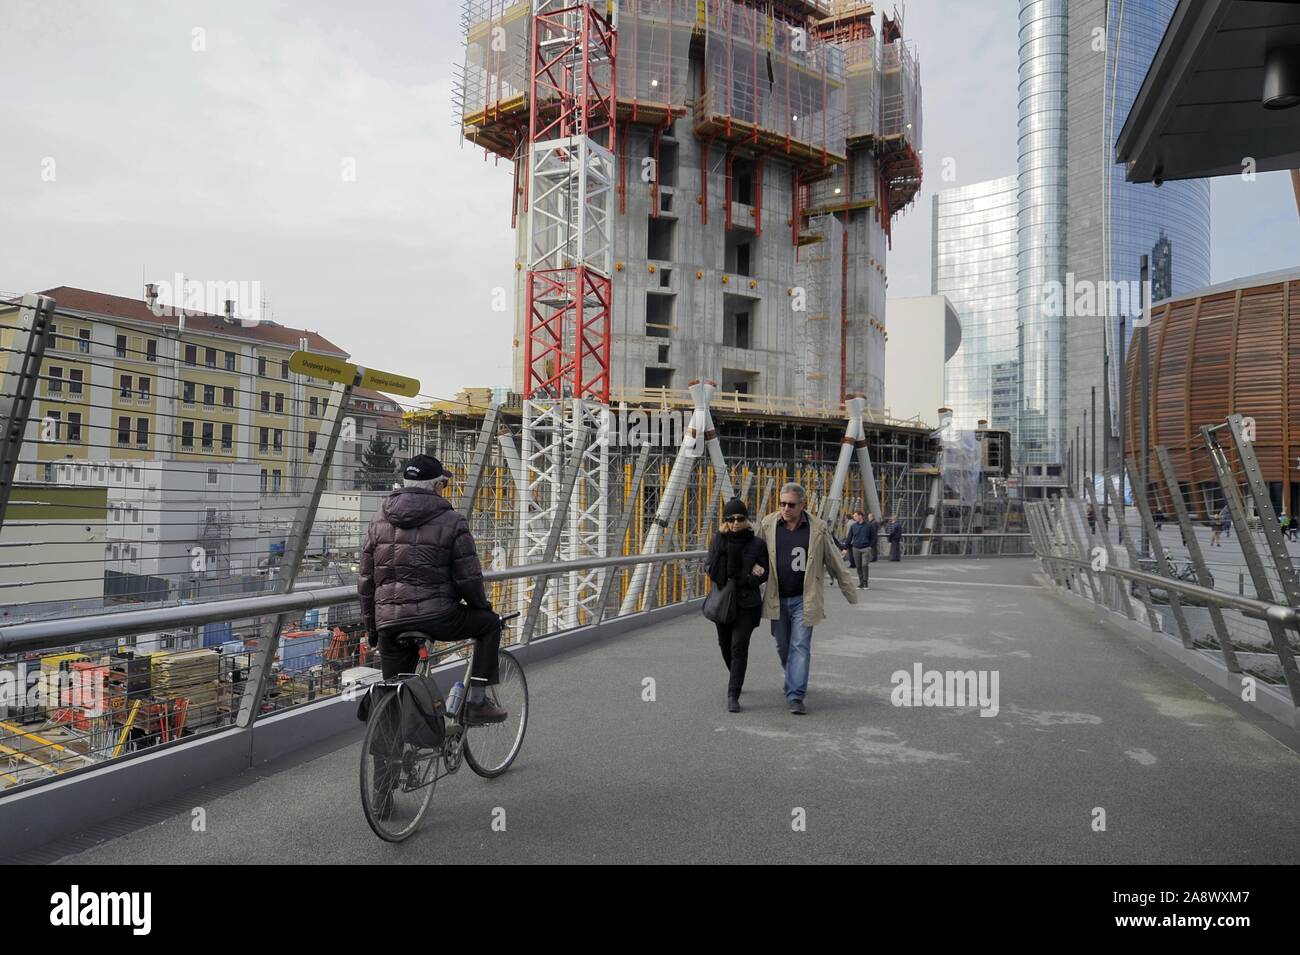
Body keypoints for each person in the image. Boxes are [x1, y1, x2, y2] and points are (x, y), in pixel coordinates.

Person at [357, 454, 506, 726]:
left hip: (389, 621)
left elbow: (366, 581)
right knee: (490, 624)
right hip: (437, 617)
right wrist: (481, 607)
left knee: (391, 694)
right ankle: (477, 704)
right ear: (438, 486)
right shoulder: (452, 521)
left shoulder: (377, 520)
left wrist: (373, 628)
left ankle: (387, 765)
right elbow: (468, 578)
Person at [759, 483, 858, 715]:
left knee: (800, 646)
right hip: (777, 598)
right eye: (782, 504)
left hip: (805, 599)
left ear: (802, 505)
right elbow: (756, 553)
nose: (785, 508)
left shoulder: (818, 528)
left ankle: (796, 696)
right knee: (783, 645)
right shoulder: (768, 524)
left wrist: (849, 592)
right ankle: (791, 674)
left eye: (791, 505)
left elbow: (835, 561)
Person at [706, 498, 770, 713]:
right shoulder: (719, 540)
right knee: (725, 646)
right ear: (726, 521)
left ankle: (733, 693)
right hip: (724, 602)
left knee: (738, 646)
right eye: (731, 519)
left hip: (746, 604)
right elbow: (711, 570)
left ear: (746, 519)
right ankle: (736, 674)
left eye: (739, 518)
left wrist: (748, 578)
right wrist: (727, 561)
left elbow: (764, 573)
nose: (735, 523)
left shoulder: (757, 544)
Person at [846, 509, 874, 589]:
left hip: (865, 548)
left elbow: (873, 537)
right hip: (856, 548)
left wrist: (870, 546)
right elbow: (849, 537)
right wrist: (845, 548)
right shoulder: (853, 526)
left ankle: (865, 583)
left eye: (855, 516)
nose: (854, 518)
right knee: (858, 566)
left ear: (860, 516)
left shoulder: (868, 526)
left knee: (864, 565)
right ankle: (861, 583)